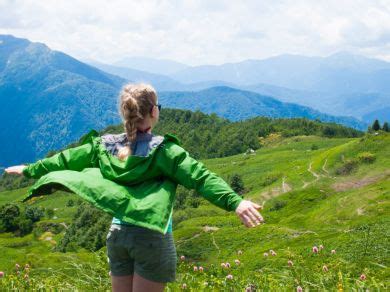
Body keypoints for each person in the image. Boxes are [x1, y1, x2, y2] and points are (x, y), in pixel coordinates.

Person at [5, 83, 264, 292]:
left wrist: (30, 169)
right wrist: (235, 201)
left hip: (117, 235)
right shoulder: (164, 152)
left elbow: (65, 159)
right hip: (151, 238)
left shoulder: (103, 147)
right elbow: (200, 177)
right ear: (153, 112)